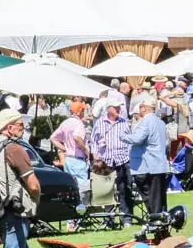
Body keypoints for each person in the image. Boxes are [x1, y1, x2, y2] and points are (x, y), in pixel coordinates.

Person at [0, 110, 40, 248]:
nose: (22, 128)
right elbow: (33, 185)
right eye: (20, 125)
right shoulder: (14, 148)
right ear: (9, 127)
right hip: (15, 207)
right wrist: (36, 202)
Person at [90, 94, 135, 225]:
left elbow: (130, 140)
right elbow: (93, 141)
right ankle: (108, 219)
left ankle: (126, 218)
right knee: (107, 191)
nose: (118, 110)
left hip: (122, 159)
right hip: (106, 161)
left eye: (118, 107)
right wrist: (95, 156)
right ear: (109, 108)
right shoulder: (99, 123)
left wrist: (129, 154)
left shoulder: (123, 122)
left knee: (124, 189)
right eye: (115, 107)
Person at [122, 95, 169, 214]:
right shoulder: (161, 123)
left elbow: (138, 139)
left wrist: (123, 136)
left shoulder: (146, 122)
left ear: (144, 108)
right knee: (160, 198)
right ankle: (162, 220)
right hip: (160, 165)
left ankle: (156, 221)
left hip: (148, 165)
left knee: (151, 199)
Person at [49, 103, 89, 182]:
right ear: (79, 112)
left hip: (68, 160)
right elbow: (76, 137)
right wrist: (85, 151)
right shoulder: (79, 123)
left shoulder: (65, 123)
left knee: (71, 187)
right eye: (83, 110)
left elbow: (52, 138)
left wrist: (64, 149)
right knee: (82, 188)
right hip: (78, 160)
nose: (84, 112)